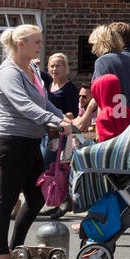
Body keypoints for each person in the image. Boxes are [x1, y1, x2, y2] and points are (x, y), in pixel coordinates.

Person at [0, 23, 74, 259]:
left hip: (31, 142)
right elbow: (23, 105)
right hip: (12, 142)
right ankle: (1, 256)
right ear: (21, 44)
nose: (41, 46)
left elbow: (45, 102)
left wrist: (64, 118)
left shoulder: (33, 70)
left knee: (38, 197)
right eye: (36, 42)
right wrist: (55, 121)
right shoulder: (8, 72)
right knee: (7, 200)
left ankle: (16, 248)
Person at [75, 25, 130, 131]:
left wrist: (87, 118)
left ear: (101, 43)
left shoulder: (103, 61)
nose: (93, 50)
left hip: (118, 119)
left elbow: (101, 95)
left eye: (94, 45)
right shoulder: (127, 58)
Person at [38, 53, 79, 218]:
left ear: (66, 68)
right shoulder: (47, 84)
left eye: (59, 65)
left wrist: (59, 118)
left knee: (48, 166)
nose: (55, 69)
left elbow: (73, 113)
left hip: (57, 133)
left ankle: (59, 200)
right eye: (52, 66)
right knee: (47, 166)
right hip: (44, 131)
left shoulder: (69, 88)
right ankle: (57, 200)